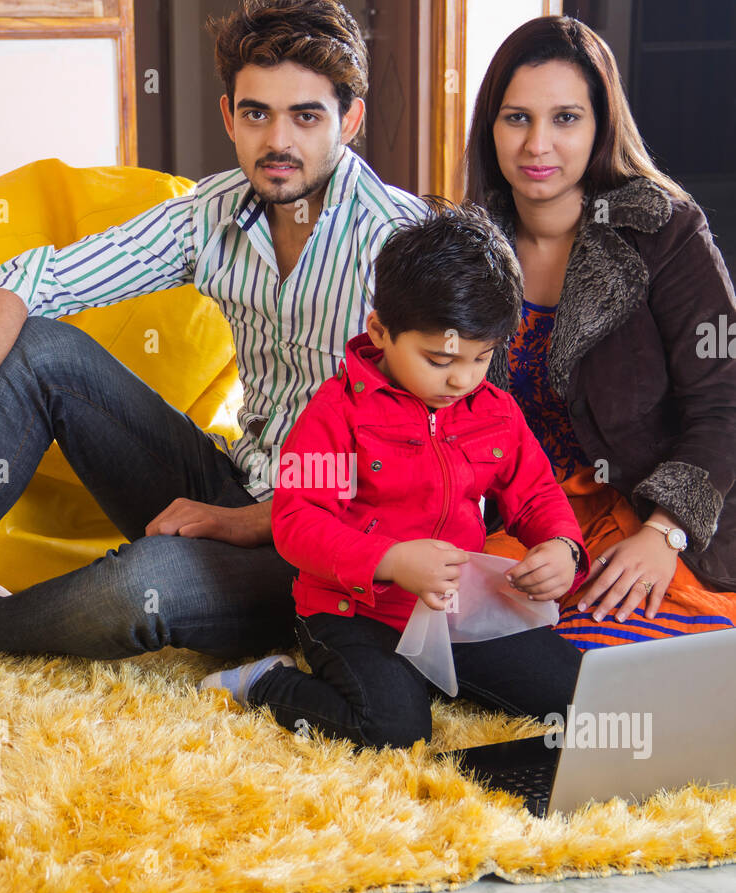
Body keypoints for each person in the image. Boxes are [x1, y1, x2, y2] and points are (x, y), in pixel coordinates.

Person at [0, 0, 430, 681]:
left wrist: (236, 525)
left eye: (305, 116)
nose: (278, 141)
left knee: (143, 586)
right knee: (40, 349)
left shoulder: (401, 246)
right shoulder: (213, 212)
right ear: (229, 116)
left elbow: (412, 471)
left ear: (349, 123)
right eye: (257, 113)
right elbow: (22, 279)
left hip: (335, 553)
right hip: (240, 482)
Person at [200, 203, 591, 749]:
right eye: (438, 360)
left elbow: (536, 495)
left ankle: (438, 674)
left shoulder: (495, 409)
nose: (462, 380)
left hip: (453, 609)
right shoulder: (336, 412)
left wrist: (562, 546)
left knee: (587, 703)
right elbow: (296, 521)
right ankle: (268, 681)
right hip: (353, 612)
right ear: (380, 331)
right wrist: (387, 560)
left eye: (481, 359)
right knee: (392, 730)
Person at [463, 15, 736, 648]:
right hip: (533, 529)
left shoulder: (664, 230)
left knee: (619, 671)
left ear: (599, 126)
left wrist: (665, 532)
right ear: (491, 127)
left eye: (565, 118)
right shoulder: (470, 245)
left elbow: (725, 403)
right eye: (517, 118)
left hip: (651, 524)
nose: (538, 146)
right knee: (444, 642)